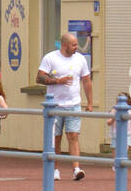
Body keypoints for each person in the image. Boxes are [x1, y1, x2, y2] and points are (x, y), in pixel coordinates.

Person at [36, 32, 92, 182]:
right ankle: (55, 170)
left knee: (73, 136)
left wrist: (90, 102)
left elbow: (86, 80)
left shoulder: (80, 59)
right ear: (65, 45)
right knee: (56, 138)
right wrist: (57, 81)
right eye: (73, 45)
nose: (76, 47)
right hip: (54, 105)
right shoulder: (50, 58)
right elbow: (39, 77)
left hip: (74, 104)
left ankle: (76, 169)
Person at [104, 92, 131, 164]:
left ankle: (122, 164)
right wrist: (114, 118)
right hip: (116, 134)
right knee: (115, 153)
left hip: (127, 134)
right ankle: (116, 165)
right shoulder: (114, 110)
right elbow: (108, 122)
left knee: (124, 151)